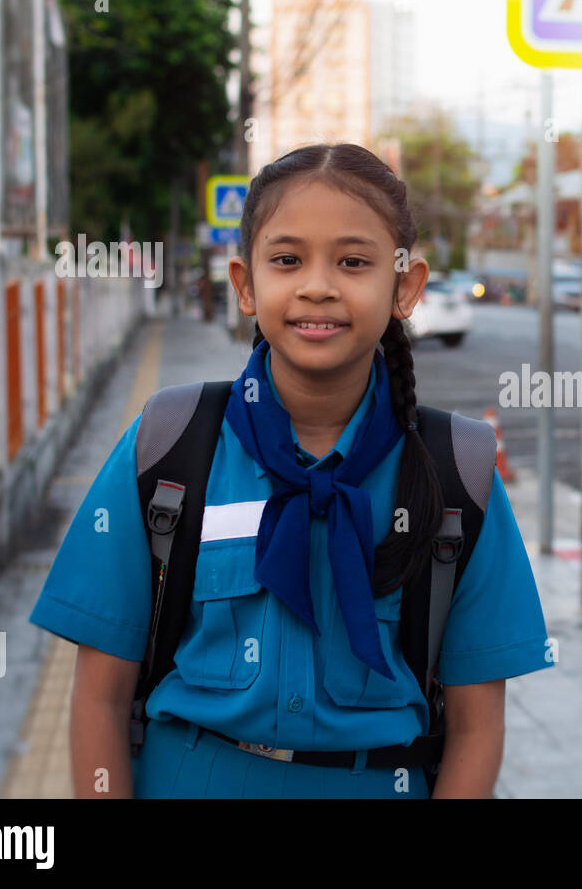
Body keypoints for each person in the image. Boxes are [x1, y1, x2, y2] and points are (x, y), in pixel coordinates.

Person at [28, 143, 555, 798]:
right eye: (286, 259)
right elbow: (98, 700)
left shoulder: (458, 473)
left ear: (407, 287)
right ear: (246, 285)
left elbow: (478, 729)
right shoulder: (169, 446)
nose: (317, 285)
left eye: (354, 261)